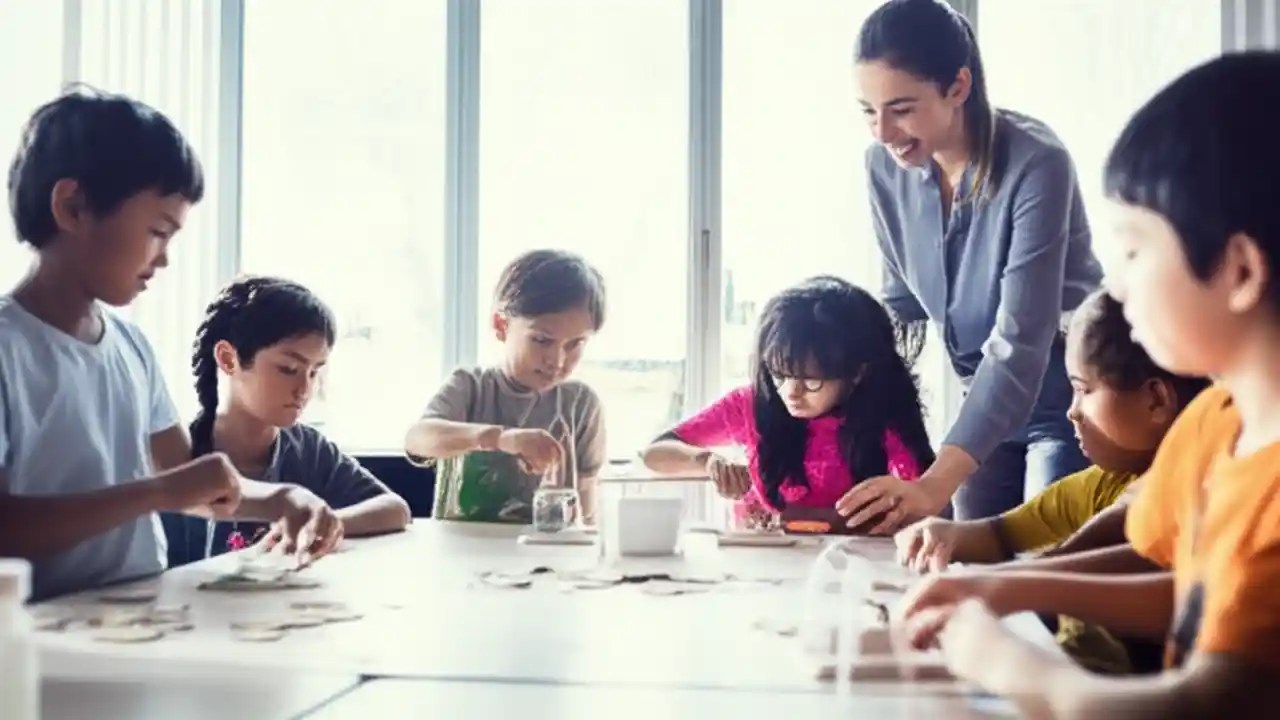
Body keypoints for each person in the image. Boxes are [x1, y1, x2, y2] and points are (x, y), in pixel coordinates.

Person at [898, 53, 1280, 718]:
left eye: (1134, 250)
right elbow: (1184, 584)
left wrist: (1004, 657)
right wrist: (1004, 589)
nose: (1116, 284)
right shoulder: (1218, 421)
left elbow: (1202, 701)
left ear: (1239, 270)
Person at [0, 90, 335, 600]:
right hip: (37, 634)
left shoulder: (132, 347)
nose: (163, 260)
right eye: (158, 231)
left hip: (139, 615)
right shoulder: (9, 350)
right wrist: (156, 492)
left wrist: (283, 497)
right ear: (72, 207)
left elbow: (191, 485)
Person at [844, 0, 1103, 531]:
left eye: (902, 108)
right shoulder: (884, 168)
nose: (882, 132)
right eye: (868, 111)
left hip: (1068, 401)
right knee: (966, 569)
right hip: (980, 401)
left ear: (958, 88)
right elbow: (902, 310)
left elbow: (1020, 344)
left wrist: (936, 482)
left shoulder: (1037, 164)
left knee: (1042, 566)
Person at [894, 290, 1207, 673]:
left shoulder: (1198, 491)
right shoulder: (1097, 486)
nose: (1072, 412)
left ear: (1156, 400)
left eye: (1083, 390)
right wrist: (948, 533)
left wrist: (1002, 588)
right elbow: (1002, 534)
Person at [642, 276, 934, 532]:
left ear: (857, 373)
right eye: (779, 375)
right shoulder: (750, 405)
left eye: (811, 382)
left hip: (853, 565)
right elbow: (654, 454)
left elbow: (930, 503)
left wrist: (900, 503)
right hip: (759, 567)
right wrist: (706, 462)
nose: (791, 393)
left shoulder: (883, 417)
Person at [176, 275, 410, 563]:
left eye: (314, 372)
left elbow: (395, 509)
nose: (304, 389)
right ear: (228, 358)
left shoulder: (309, 450)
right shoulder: (174, 453)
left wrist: (321, 523)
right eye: (288, 368)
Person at [403, 249, 607, 523]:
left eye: (574, 344)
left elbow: (587, 501)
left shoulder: (582, 405)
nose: (558, 360)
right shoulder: (471, 386)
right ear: (501, 325)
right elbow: (418, 440)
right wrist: (501, 439)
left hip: (548, 557)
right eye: (542, 340)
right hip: (465, 553)